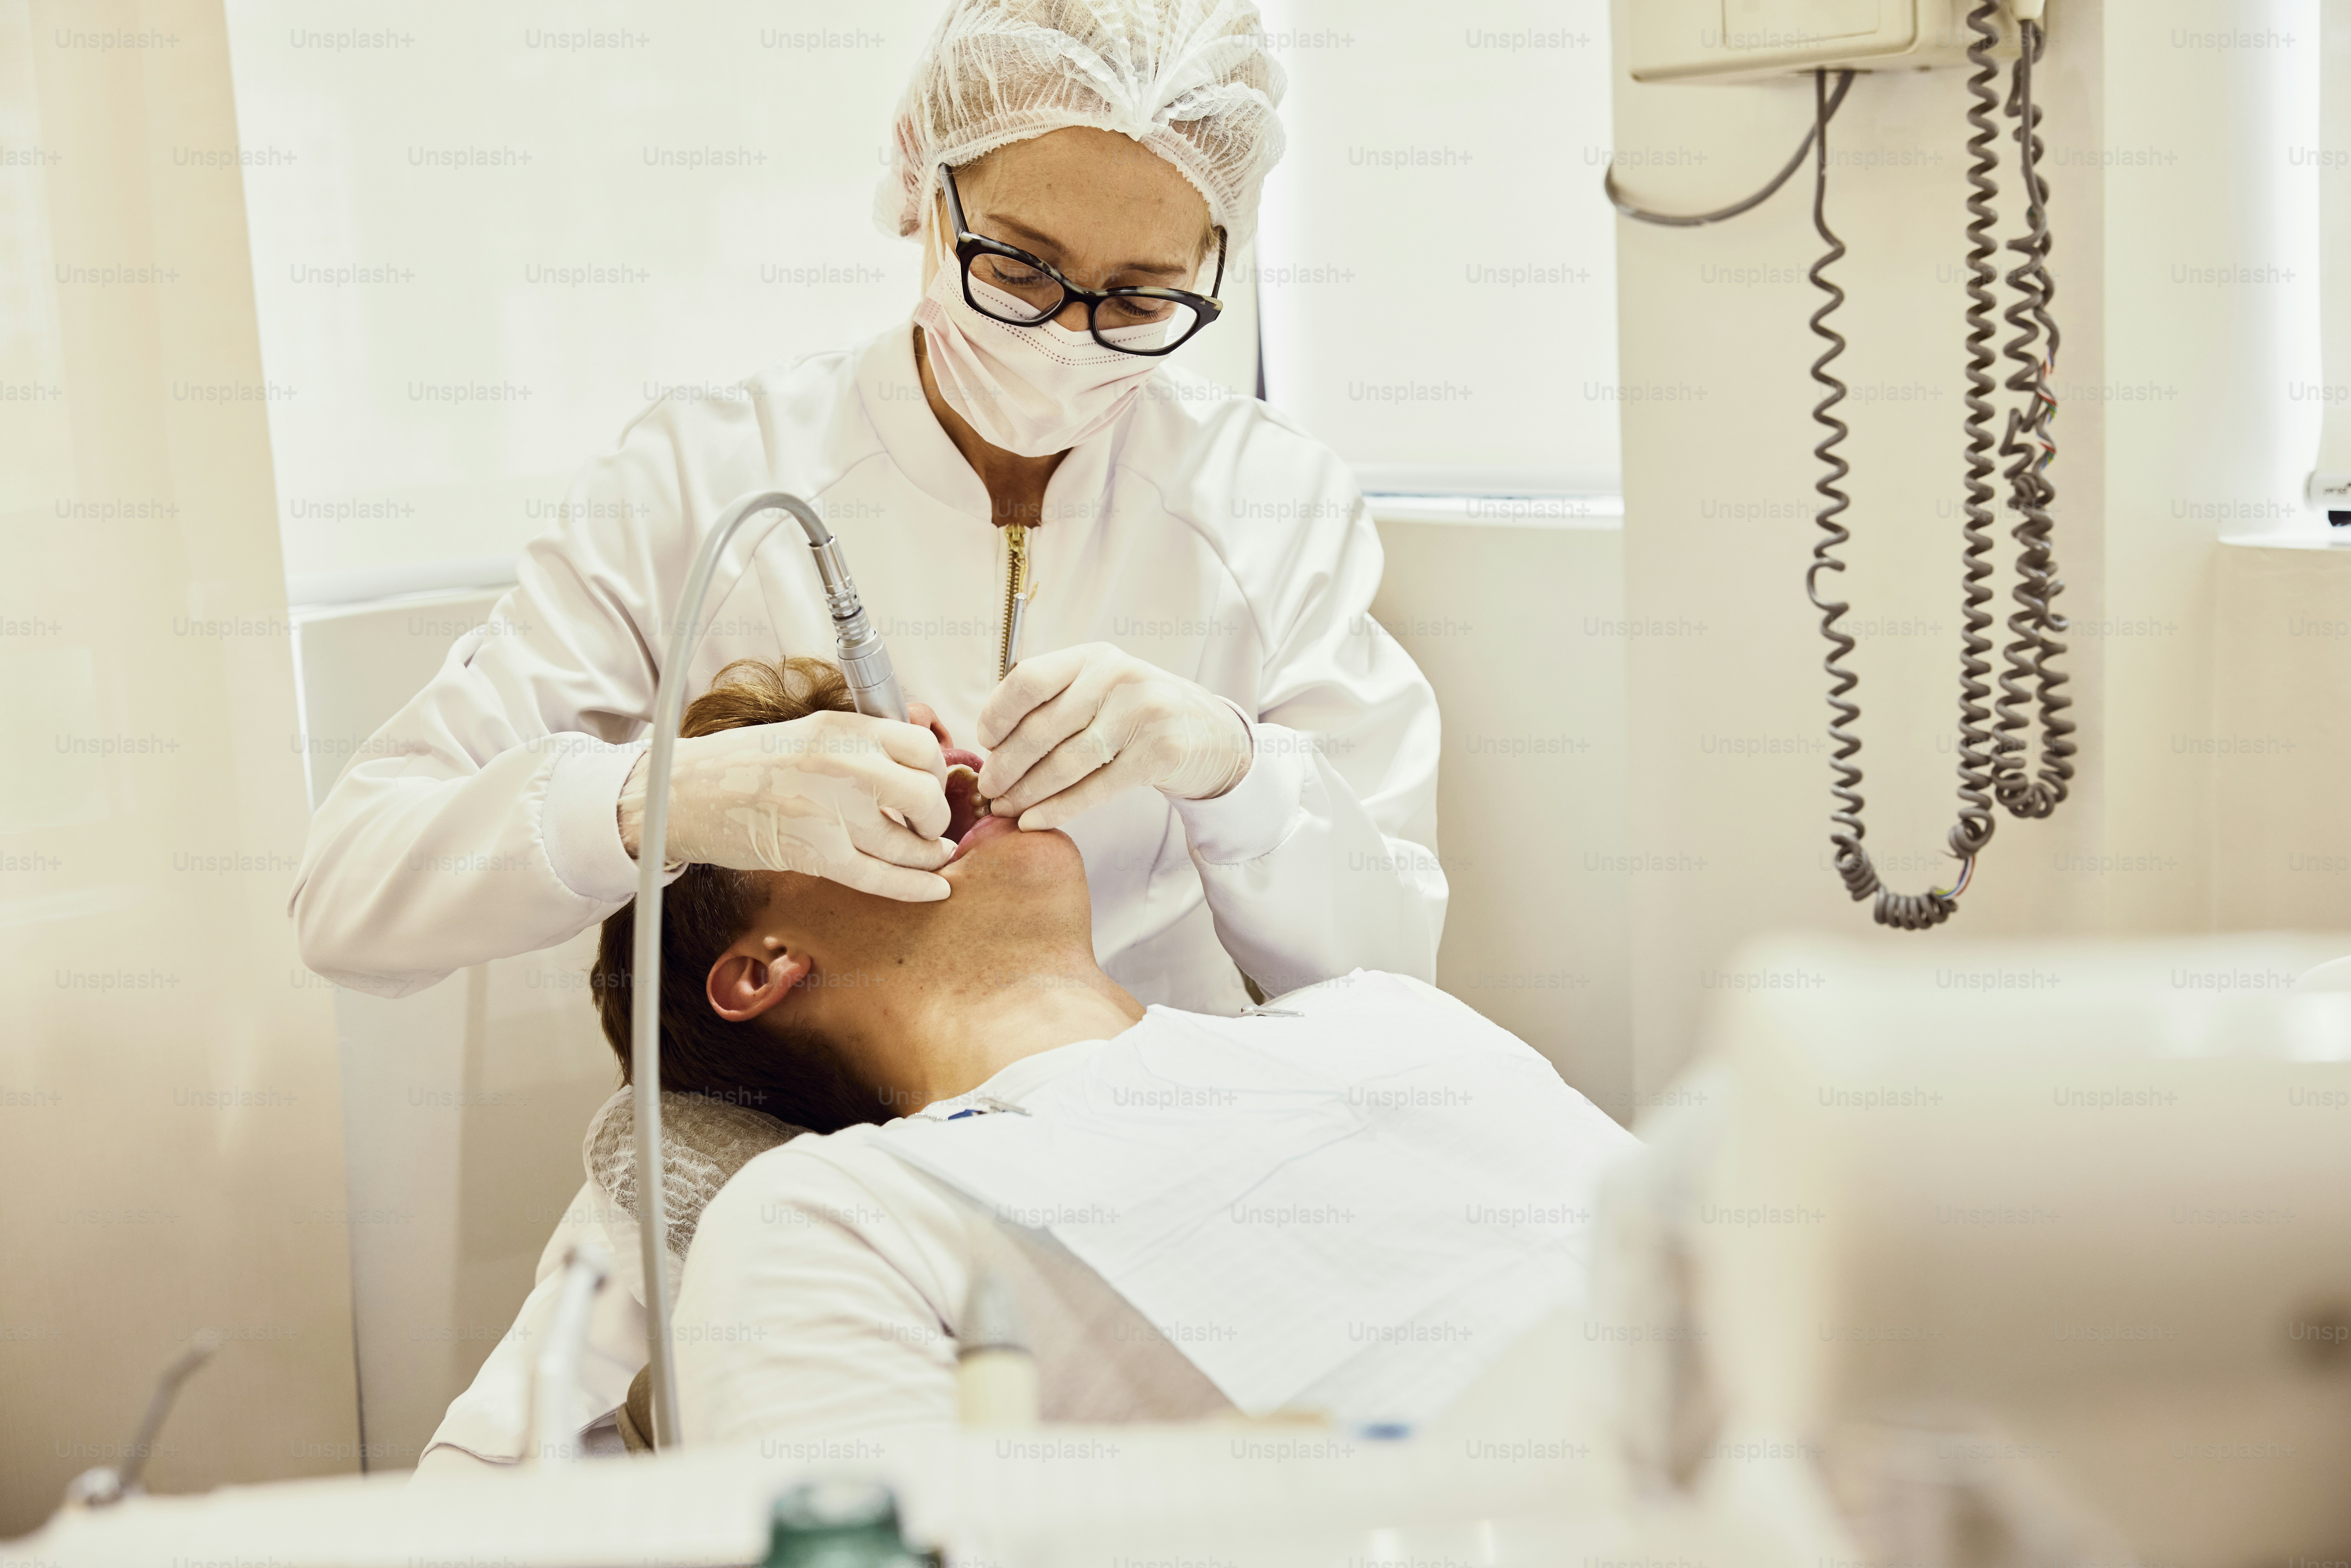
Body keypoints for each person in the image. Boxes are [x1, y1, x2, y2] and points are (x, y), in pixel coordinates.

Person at [290, 0, 1444, 1016]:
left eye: (1139, 299)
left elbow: (1392, 967)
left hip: (1152, 1093)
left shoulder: (1269, 507)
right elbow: (350, 899)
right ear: (921, 188)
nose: (1065, 339)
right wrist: (668, 801)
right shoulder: (702, 483)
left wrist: (1232, 770)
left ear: (1213, 268)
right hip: (823, 1132)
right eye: (1019, 267)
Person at [591, 658, 1632, 1446]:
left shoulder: (1378, 1015)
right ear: (761, 964)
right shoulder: (838, 1209)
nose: (939, 759)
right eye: (847, 783)